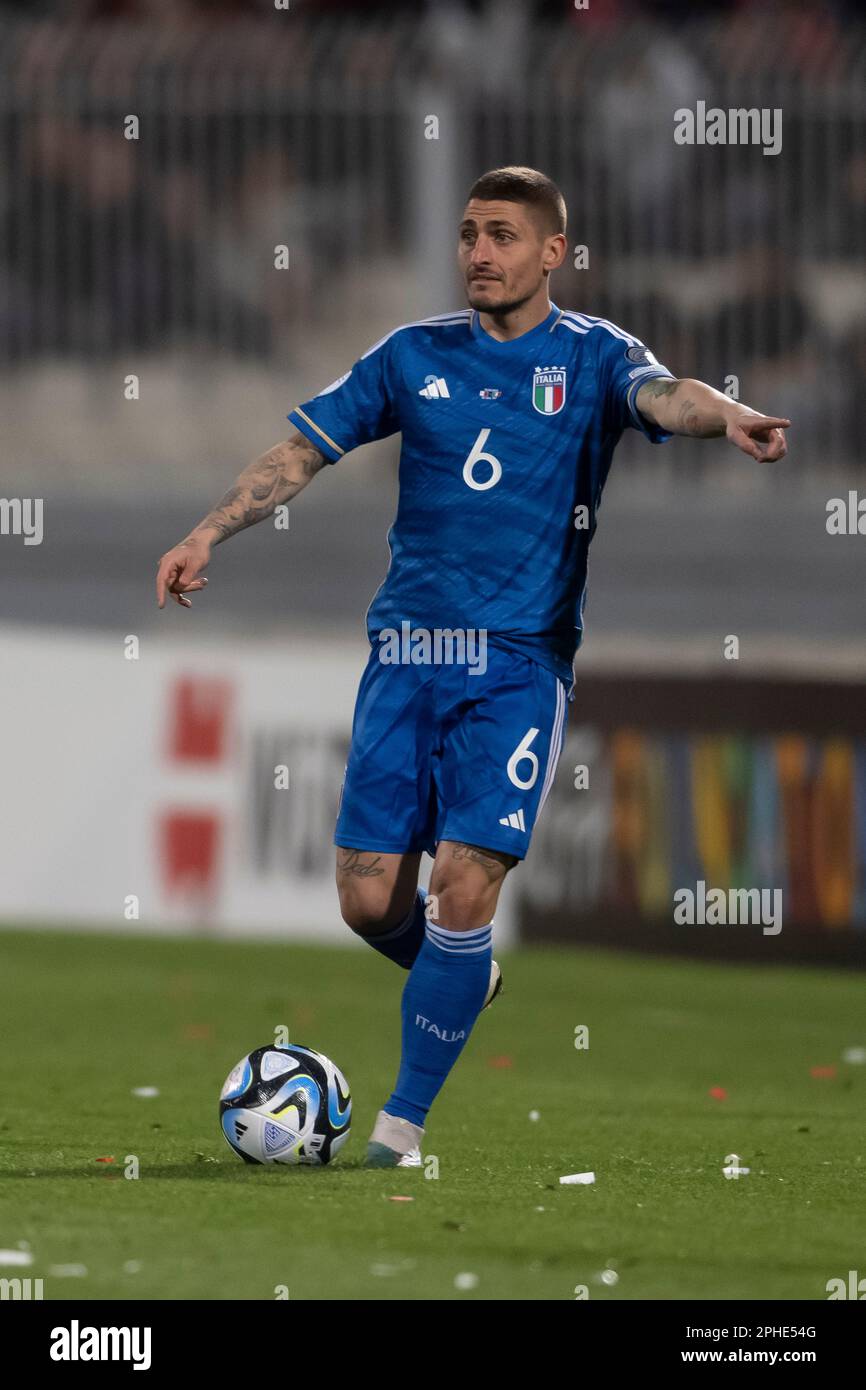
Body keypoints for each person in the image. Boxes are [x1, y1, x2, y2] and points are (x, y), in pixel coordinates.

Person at [156, 166, 789, 1168]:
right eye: (467, 233)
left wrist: (730, 416)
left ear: (550, 253)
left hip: (514, 664)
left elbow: (666, 396)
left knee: (461, 883)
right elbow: (300, 450)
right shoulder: (412, 355)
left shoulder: (591, 356)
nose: (478, 253)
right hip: (404, 656)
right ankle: (462, 976)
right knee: (368, 901)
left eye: (500, 235)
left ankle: (398, 1132)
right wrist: (207, 532)